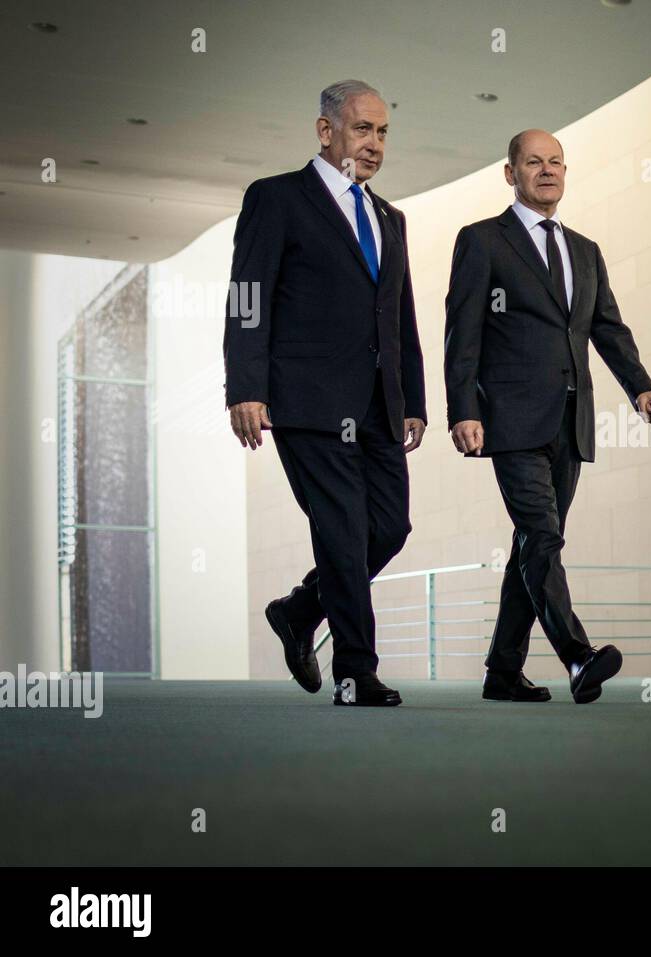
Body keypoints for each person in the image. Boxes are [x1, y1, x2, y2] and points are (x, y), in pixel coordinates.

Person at [444, 129, 651, 704]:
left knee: (533, 542)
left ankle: (501, 671)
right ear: (510, 172)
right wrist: (462, 409)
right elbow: (462, 333)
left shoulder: (585, 251)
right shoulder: (482, 240)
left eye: (556, 163)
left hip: (573, 419)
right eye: (534, 162)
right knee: (543, 537)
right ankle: (577, 656)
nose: (547, 171)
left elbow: (607, 328)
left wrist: (639, 386)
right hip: (510, 419)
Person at [224, 80, 426, 708]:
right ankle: (355, 673)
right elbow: (247, 297)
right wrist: (246, 386)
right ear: (325, 131)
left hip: (378, 405)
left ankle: (298, 608)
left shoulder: (390, 218)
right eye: (362, 128)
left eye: (383, 132)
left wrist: (413, 398)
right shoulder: (277, 198)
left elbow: (401, 317)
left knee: (389, 528)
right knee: (340, 529)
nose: (374, 144)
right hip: (308, 399)